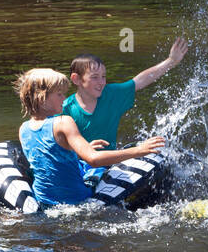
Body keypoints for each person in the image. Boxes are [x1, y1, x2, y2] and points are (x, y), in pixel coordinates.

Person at [13, 68, 165, 208]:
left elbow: (48, 159)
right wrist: (139, 150)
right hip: (74, 200)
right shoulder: (63, 122)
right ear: (42, 99)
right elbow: (94, 159)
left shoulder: (24, 129)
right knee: (97, 169)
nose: (64, 98)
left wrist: (81, 149)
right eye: (59, 94)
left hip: (44, 201)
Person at [64, 36, 189, 152]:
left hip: (111, 164)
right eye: (95, 77)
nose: (101, 82)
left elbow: (140, 81)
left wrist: (171, 61)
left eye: (103, 77)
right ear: (76, 79)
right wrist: (83, 151)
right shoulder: (65, 109)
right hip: (79, 166)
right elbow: (54, 148)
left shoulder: (111, 94)